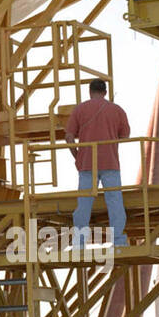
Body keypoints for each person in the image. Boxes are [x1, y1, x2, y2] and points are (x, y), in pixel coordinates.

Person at [64, 79, 129, 248]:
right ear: (105, 92)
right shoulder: (116, 110)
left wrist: (77, 156)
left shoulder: (80, 109)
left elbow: (69, 137)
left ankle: (79, 242)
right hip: (110, 163)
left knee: (83, 205)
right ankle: (118, 241)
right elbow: (125, 135)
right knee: (115, 202)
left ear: (89, 91)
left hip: (87, 164)